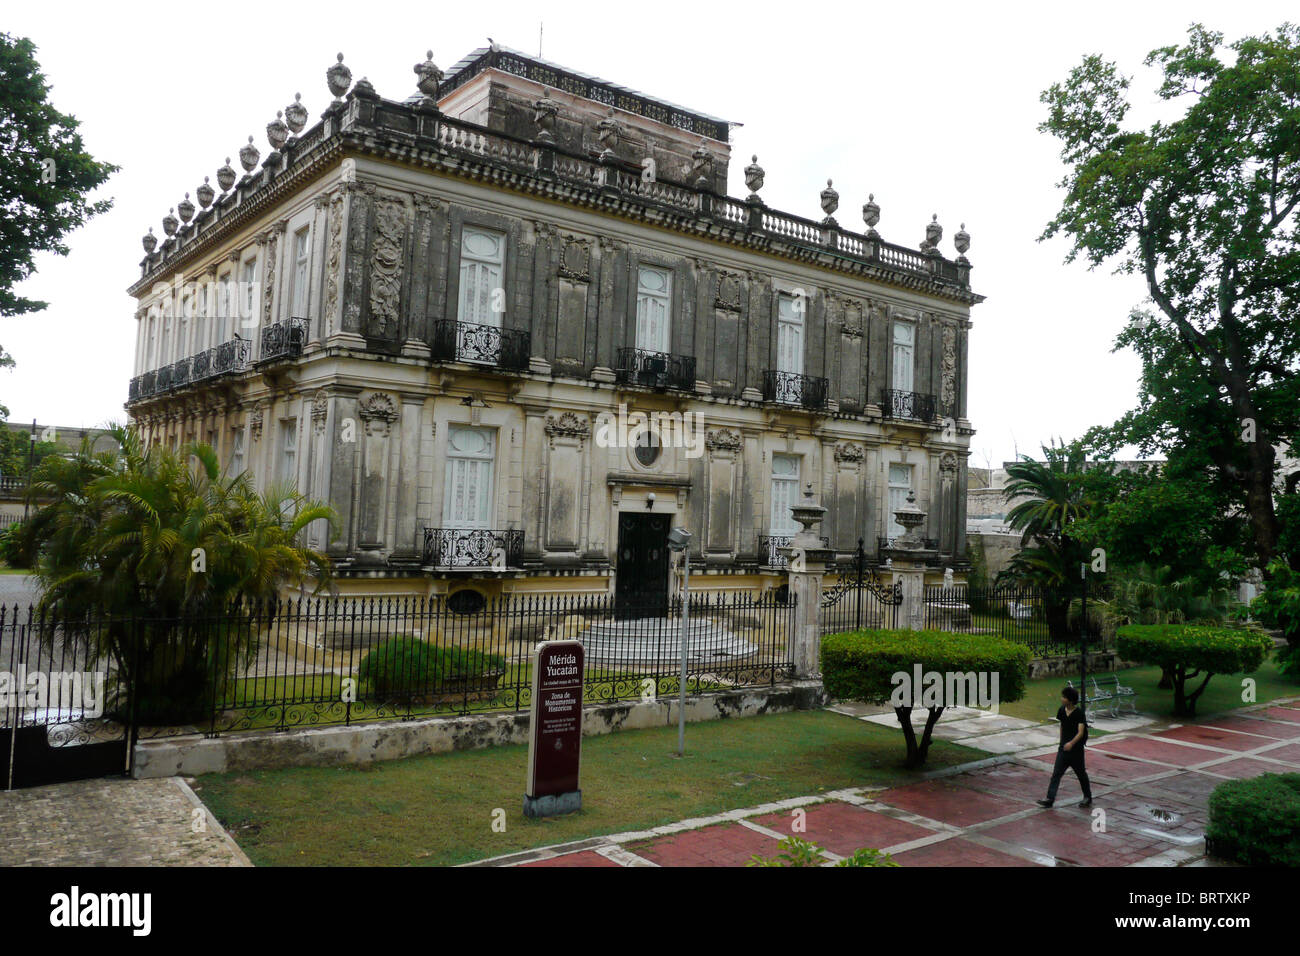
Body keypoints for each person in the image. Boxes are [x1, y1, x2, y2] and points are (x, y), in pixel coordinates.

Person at [1037, 685, 1092, 808]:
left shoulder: (1079, 713)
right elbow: (1062, 725)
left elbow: (1081, 732)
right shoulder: (1061, 710)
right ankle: (1050, 799)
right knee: (1056, 774)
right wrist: (1062, 742)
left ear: (1071, 700)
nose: (1062, 699)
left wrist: (1071, 743)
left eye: (1064, 697)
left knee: (1081, 774)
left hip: (1076, 751)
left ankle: (1087, 797)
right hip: (1063, 749)